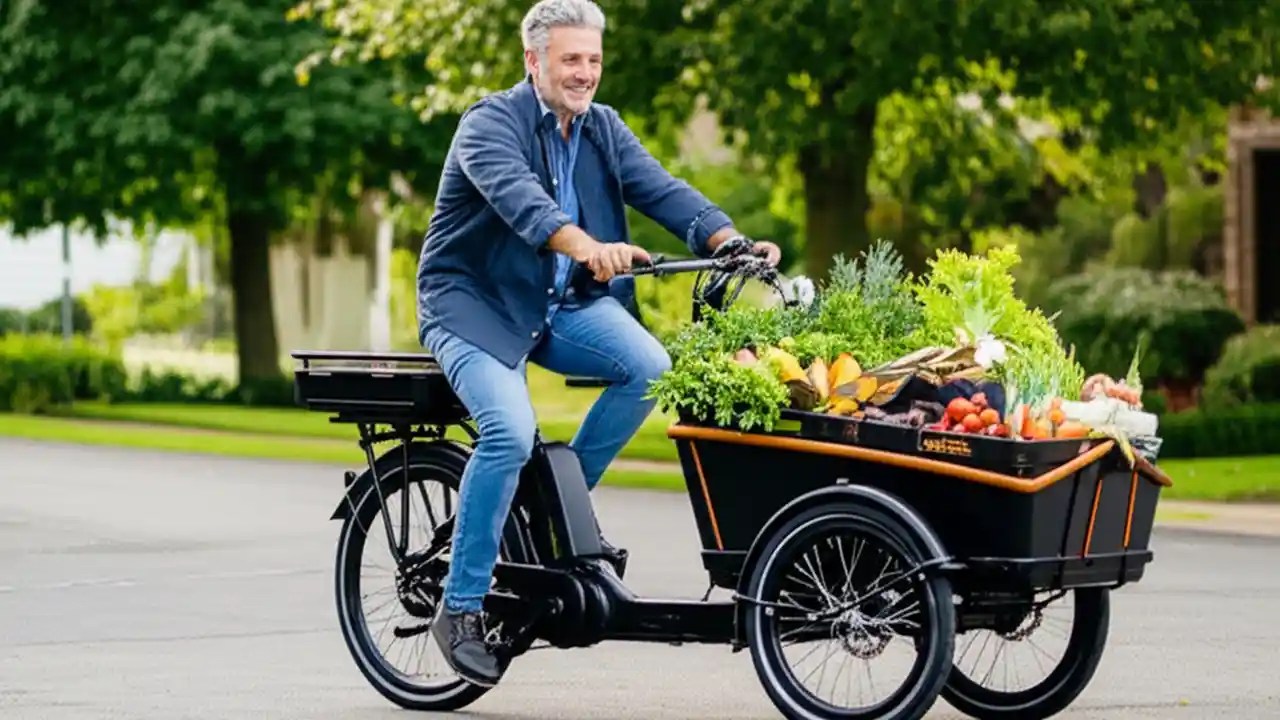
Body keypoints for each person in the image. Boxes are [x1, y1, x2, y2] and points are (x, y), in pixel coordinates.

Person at [415, 0, 781, 687]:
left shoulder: (601, 128)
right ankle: (460, 607)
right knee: (508, 434)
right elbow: (524, 203)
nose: (585, 73)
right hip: (474, 308)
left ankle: (551, 514)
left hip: (558, 305)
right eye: (571, 60)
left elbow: (662, 190)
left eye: (593, 60)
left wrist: (726, 239)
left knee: (648, 365)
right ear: (534, 62)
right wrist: (588, 247)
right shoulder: (488, 124)